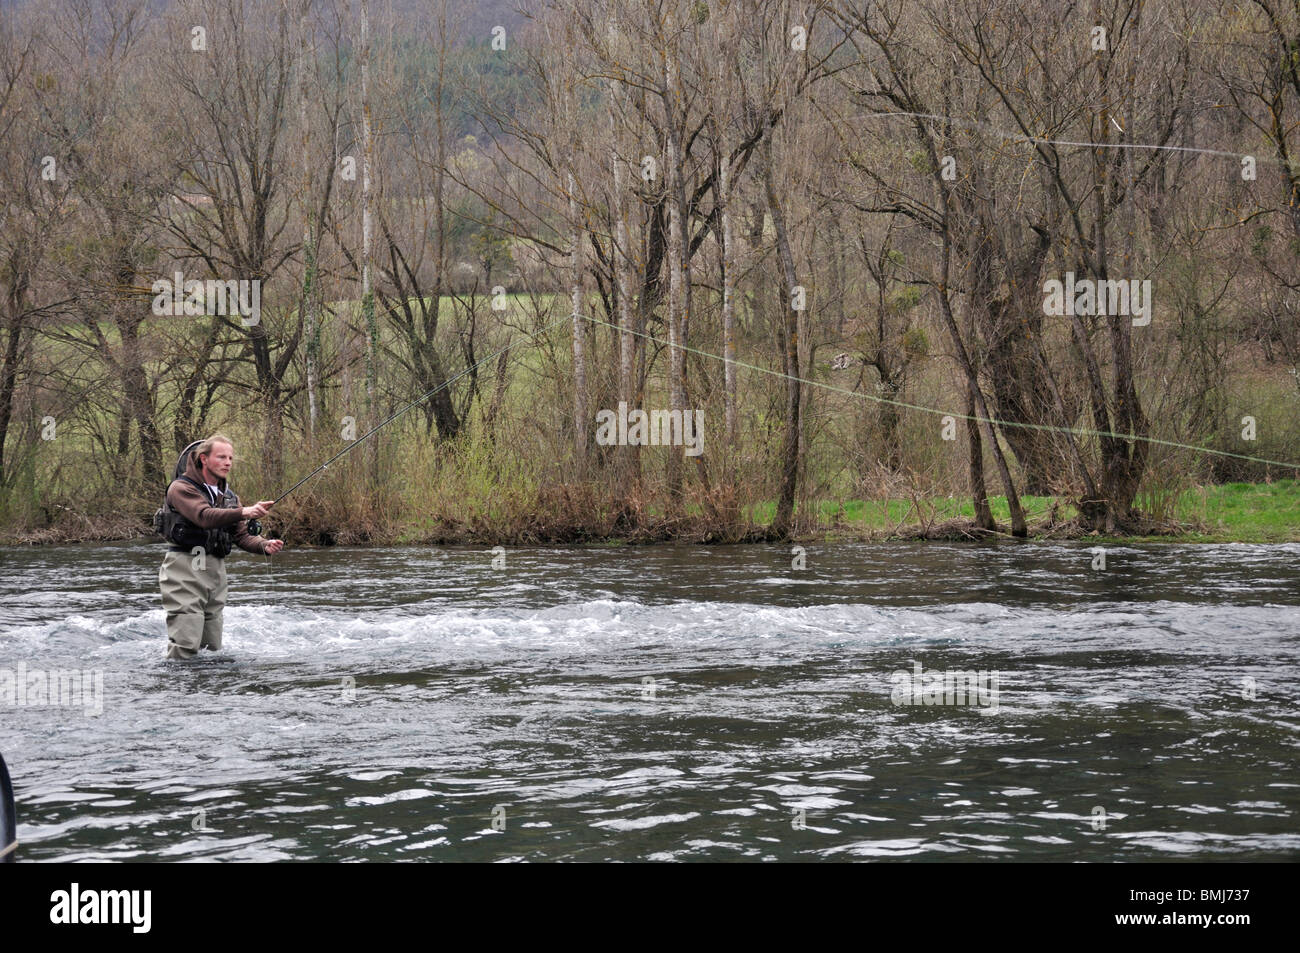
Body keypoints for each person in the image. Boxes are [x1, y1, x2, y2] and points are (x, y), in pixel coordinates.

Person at [159, 434, 284, 659]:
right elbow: (204, 516)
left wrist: (264, 545)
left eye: (230, 458)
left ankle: (210, 691)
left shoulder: (228, 497)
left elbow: (242, 536)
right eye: (221, 457)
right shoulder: (180, 488)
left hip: (215, 572)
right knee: (186, 645)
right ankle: (178, 690)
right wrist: (245, 511)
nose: (227, 462)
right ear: (203, 459)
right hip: (185, 568)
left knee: (212, 649)